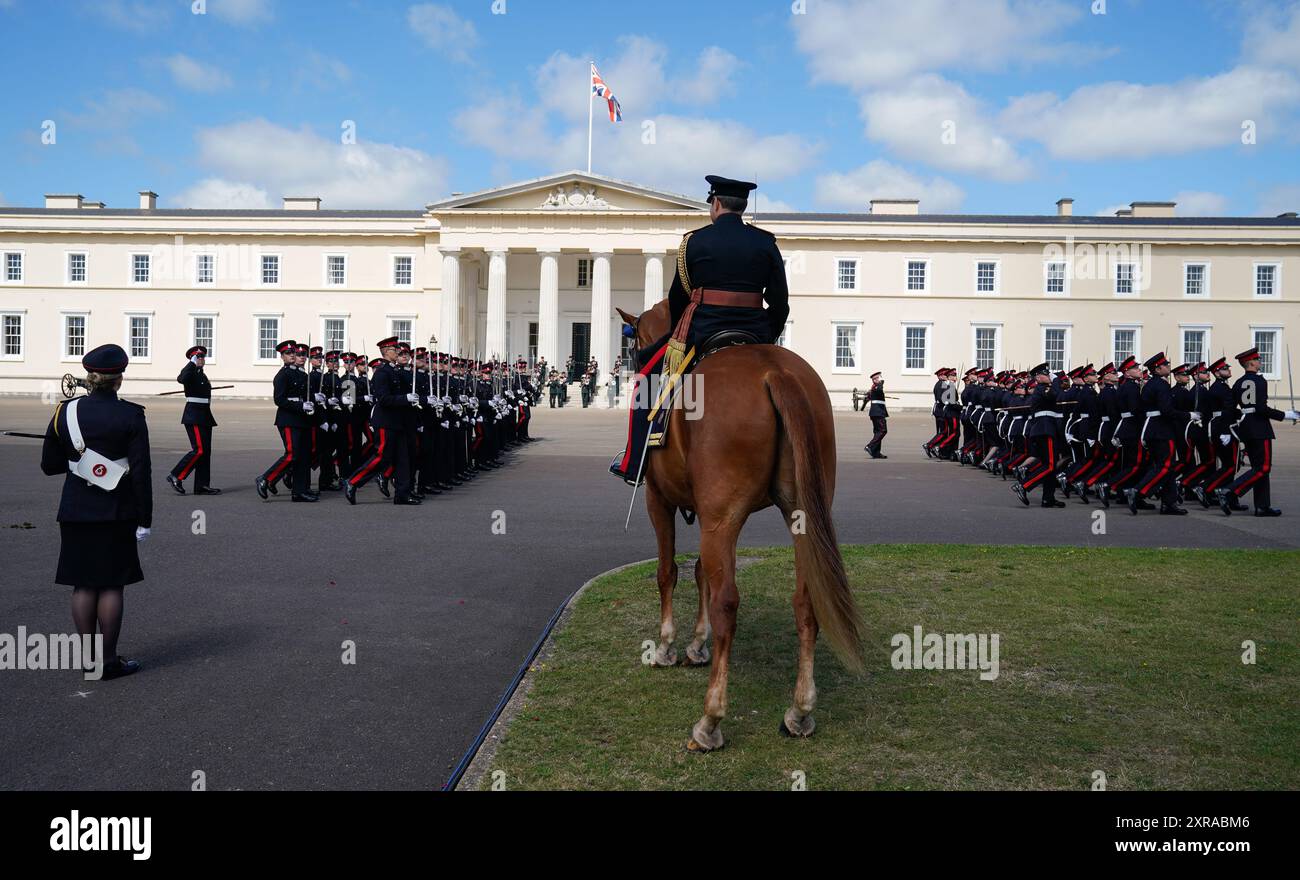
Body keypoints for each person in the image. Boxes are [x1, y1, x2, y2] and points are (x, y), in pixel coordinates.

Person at [610, 173, 790, 482]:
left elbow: (678, 300)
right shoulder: (766, 242)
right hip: (756, 335)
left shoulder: (694, 241)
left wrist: (681, 331)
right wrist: (766, 335)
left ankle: (634, 462)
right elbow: (780, 303)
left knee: (647, 381)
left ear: (716, 203)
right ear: (742, 207)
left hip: (704, 333)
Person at [40, 343, 151, 680]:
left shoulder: (65, 412)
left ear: (90, 376)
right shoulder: (132, 414)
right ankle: (109, 661)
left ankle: (88, 661)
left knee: (83, 586)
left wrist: (79, 459)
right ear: (120, 378)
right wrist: (145, 519)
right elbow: (141, 473)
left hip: (75, 509)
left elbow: (49, 465)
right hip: (117, 511)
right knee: (112, 586)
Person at [1217, 346, 1297, 516]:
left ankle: (1262, 506)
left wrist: (1225, 430)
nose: (1260, 362)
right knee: (1264, 467)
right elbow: (1261, 408)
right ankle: (1228, 491)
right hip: (1259, 428)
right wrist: (1285, 414)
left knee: (1258, 468)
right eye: (1258, 359)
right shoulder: (1260, 381)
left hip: (1246, 427)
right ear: (1251, 363)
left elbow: (1229, 409)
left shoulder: (1238, 383)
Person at [345, 337, 420, 505]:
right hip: (386, 421)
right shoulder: (382, 373)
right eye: (395, 350)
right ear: (386, 352)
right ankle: (353, 481)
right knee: (382, 456)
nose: (398, 352)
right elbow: (384, 399)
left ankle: (402, 494)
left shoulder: (394, 371)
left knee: (403, 459)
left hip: (398, 421)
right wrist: (405, 398)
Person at [256, 340, 317, 502]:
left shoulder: (301, 374)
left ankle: (300, 491)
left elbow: (306, 395)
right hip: (288, 419)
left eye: (294, 353)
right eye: (289, 354)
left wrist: (313, 401)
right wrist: (300, 405)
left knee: (304, 456)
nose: (292, 356)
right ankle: (266, 478)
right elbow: (279, 400)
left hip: (303, 419)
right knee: (292, 454)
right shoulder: (282, 375)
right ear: (282, 357)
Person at [166, 344, 220, 496]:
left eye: (203, 356)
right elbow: (181, 378)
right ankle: (176, 475)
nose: (201, 359)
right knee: (199, 450)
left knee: (205, 452)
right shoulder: (190, 372)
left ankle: (202, 485)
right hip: (194, 414)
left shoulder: (201, 374)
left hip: (204, 415)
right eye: (198, 357)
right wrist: (191, 363)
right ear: (193, 359)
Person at [864, 371, 889, 459]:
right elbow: (879, 389)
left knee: (877, 432)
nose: (881, 378)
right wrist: (881, 382)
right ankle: (870, 446)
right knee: (883, 431)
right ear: (875, 380)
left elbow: (869, 398)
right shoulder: (877, 387)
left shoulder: (873, 388)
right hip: (878, 413)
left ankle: (876, 452)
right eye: (879, 377)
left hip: (876, 413)